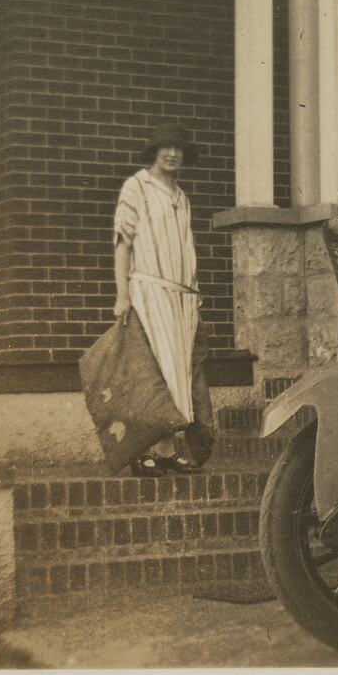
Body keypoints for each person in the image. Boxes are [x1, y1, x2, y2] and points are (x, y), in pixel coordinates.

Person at [113, 122, 204, 476]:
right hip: (148, 291)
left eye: (178, 148)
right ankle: (144, 451)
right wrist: (122, 295)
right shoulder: (136, 187)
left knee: (177, 373)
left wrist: (194, 294)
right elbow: (123, 243)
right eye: (165, 147)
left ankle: (166, 451)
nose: (172, 153)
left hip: (181, 296)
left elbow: (185, 250)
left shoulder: (182, 197)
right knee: (153, 371)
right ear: (154, 151)